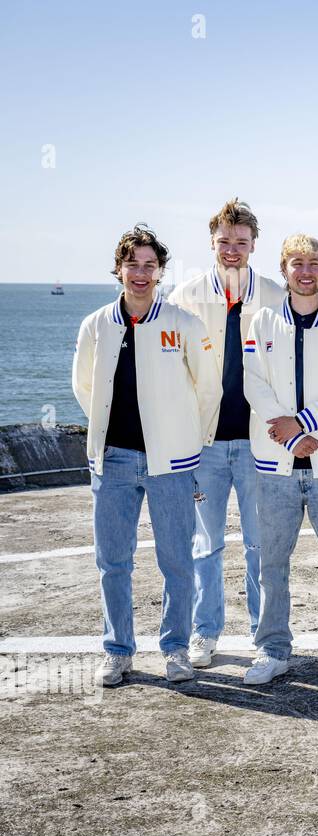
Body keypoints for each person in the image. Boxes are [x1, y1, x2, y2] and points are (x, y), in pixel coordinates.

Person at [72, 225, 221, 686]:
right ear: (119, 269)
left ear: (160, 271)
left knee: (176, 559)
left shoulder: (183, 323)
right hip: (113, 460)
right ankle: (117, 650)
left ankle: (175, 650)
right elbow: (84, 386)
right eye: (132, 264)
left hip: (171, 464)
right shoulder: (96, 325)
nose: (141, 273)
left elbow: (208, 388)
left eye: (149, 265)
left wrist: (188, 441)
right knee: (113, 561)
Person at [241, 234, 318, 687]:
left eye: (314, 263)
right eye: (298, 263)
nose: (306, 271)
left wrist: (305, 424)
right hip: (276, 462)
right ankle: (273, 649)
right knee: (271, 561)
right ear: (285, 269)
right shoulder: (262, 323)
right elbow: (253, 382)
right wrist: (288, 432)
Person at [170, 198, 284, 668]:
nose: (232, 250)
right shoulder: (185, 296)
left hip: (260, 442)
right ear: (212, 242)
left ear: (254, 244)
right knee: (206, 544)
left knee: (262, 544)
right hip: (207, 442)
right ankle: (204, 632)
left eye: (241, 242)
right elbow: (173, 368)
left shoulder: (275, 296)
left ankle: (263, 636)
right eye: (224, 242)